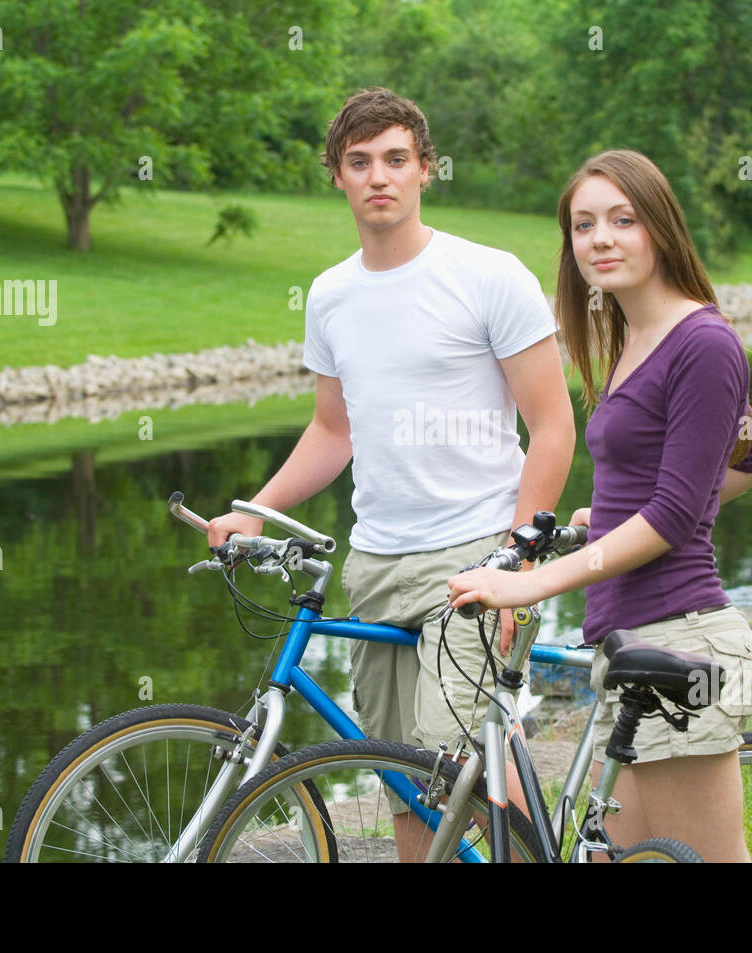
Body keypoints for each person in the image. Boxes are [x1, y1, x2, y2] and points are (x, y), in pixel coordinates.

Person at [205, 87, 577, 856]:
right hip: (375, 565)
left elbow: (552, 426)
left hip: (473, 557)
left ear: (426, 170)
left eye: (396, 160)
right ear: (336, 175)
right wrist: (255, 509)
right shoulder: (332, 295)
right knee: (402, 785)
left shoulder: (488, 275)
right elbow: (331, 430)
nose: (379, 176)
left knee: (451, 771)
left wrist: (519, 560)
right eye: (360, 161)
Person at [447, 149, 752, 862]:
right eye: (583, 224)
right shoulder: (635, 336)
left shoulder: (703, 341)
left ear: (659, 227)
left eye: (622, 219)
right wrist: (617, 519)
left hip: (680, 638)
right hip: (630, 642)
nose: (600, 238)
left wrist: (531, 582)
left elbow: (673, 515)